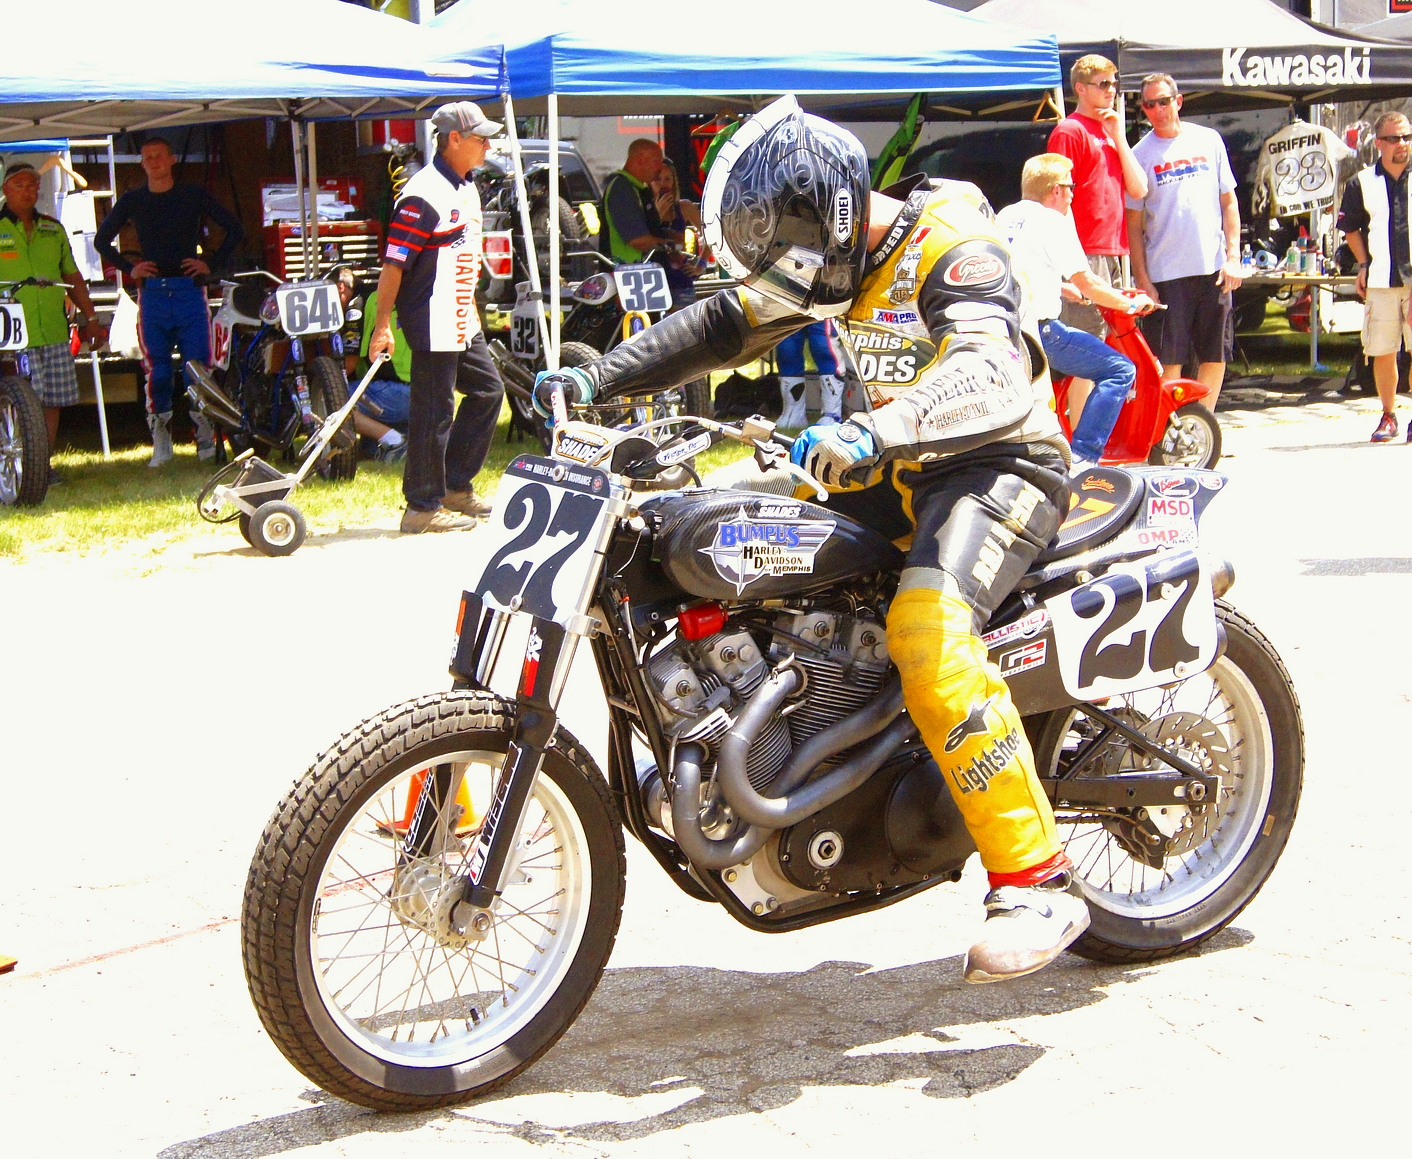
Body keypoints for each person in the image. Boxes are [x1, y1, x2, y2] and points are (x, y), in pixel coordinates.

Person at [536, 96, 1089, 985]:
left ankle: (1037, 876)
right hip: (901, 467)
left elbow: (991, 367)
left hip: (999, 467)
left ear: (826, 220)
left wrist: (886, 425)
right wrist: (598, 374)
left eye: (785, 256)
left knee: (928, 633)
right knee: (756, 553)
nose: (779, 278)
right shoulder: (831, 263)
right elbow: (725, 325)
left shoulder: (955, 242)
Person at [367, 101, 506, 534]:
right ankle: (421, 507)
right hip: (430, 315)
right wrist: (383, 324)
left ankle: (453, 486)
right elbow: (393, 265)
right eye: (481, 138)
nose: (488, 145)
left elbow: (464, 258)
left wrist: (475, 312)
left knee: (488, 392)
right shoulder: (421, 193)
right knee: (434, 410)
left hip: (462, 316)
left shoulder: (467, 187)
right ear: (454, 139)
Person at [998, 154, 1156, 469]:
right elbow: (1089, 282)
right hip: (1039, 334)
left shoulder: (1006, 215)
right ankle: (1084, 456)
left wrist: (1061, 289)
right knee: (1121, 370)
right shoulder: (1051, 221)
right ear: (1055, 190)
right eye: (1070, 187)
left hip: (1003, 329)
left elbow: (1018, 270)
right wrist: (1130, 304)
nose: (1073, 195)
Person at [94, 137, 245, 467]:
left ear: (172, 159)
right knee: (158, 371)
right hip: (153, 294)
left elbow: (235, 227)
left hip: (191, 290)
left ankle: (204, 434)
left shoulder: (191, 194)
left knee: (197, 369)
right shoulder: (134, 199)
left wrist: (212, 263)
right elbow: (101, 240)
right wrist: (129, 268)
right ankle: (160, 437)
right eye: (147, 158)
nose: (154, 161)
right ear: (142, 163)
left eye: (159, 156)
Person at [1126, 73, 1243, 411]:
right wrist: (1143, 279)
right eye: (1149, 104)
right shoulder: (1140, 154)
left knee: (1215, 353)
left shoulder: (1209, 140)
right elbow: (1133, 224)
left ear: (1178, 101)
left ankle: (1202, 427)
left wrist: (1233, 256)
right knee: (1169, 359)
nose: (1158, 109)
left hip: (1213, 268)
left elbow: (1229, 202)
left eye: (1164, 101)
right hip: (1166, 273)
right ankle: (1169, 430)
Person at [0, 162, 105, 484]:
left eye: (33, 184)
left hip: (53, 330)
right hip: (10, 333)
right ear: (5, 189)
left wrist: (91, 319)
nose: (28, 190)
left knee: (52, 400)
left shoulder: (52, 228)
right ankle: (12, 462)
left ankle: (40, 466)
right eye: (19, 185)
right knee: (13, 399)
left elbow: (72, 275)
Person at [1337, 110, 1412, 443]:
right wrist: (1363, 263)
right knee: (1382, 351)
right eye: (1395, 138)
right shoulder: (1363, 182)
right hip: (1382, 278)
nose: (1403, 144)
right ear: (1379, 143)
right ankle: (1388, 415)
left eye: (1407, 136)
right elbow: (1349, 226)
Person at [333, 268, 409, 461]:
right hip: (428, 394)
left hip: (400, 394)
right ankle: (379, 444)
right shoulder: (382, 294)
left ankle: (395, 441)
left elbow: (349, 363)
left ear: (341, 287)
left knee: (331, 397)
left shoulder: (357, 305)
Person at [600, 139, 680, 265]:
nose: (660, 168)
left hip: (640, 272)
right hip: (625, 273)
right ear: (641, 159)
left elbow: (648, 229)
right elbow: (637, 239)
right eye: (657, 162)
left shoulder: (639, 189)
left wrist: (669, 235)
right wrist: (671, 247)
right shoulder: (622, 188)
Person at [650, 158, 708, 311]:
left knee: (682, 330)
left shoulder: (684, 207)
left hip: (680, 280)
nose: (663, 183)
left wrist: (700, 265)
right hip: (652, 282)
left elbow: (711, 234)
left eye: (668, 178)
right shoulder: (645, 209)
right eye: (658, 179)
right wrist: (658, 212)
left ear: (674, 181)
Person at [774, 320, 845, 429]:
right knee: (786, 343)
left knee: (822, 342)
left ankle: (832, 414)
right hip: (791, 304)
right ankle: (793, 415)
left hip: (823, 304)